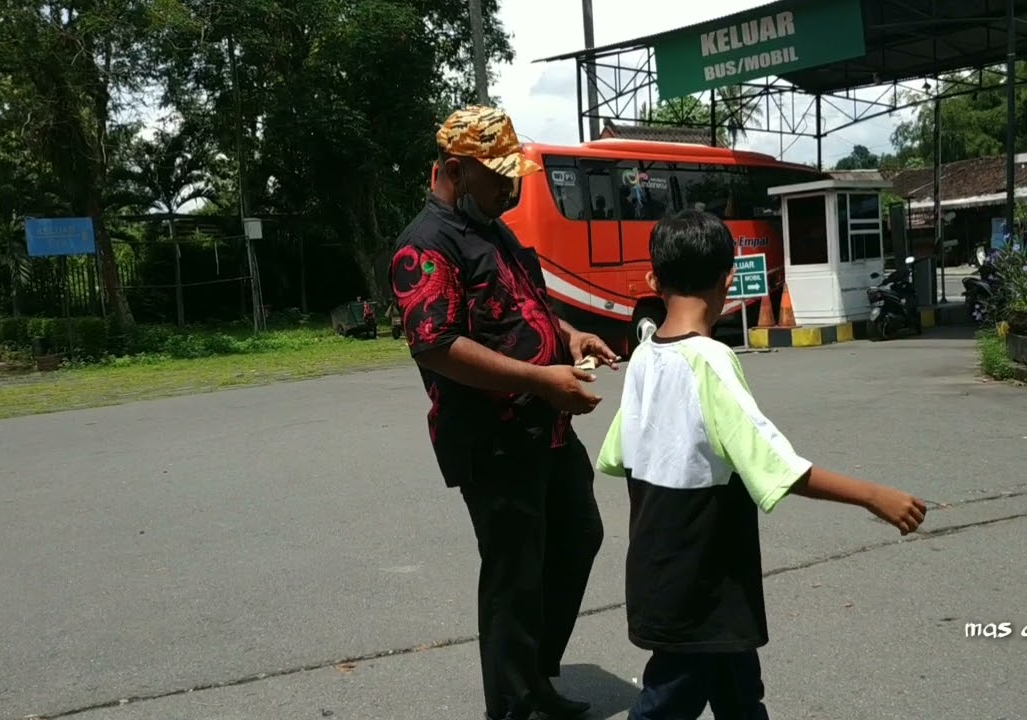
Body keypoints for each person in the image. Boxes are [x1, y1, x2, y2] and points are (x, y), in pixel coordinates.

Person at [594, 210, 927, 720]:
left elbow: (622, 455)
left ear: (654, 281)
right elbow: (776, 465)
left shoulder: (644, 357)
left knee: (739, 694)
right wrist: (873, 496)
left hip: (663, 566)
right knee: (668, 700)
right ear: (728, 279)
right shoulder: (710, 361)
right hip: (703, 579)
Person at [389, 105, 619, 720]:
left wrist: (570, 335)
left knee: (578, 537)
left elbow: (526, 303)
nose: (510, 190)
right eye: (498, 178)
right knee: (513, 573)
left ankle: (533, 677)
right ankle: (515, 704)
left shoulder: (492, 228)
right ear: (455, 171)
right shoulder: (426, 244)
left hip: (545, 428)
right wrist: (542, 379)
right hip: (494, 439)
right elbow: (437, 345)